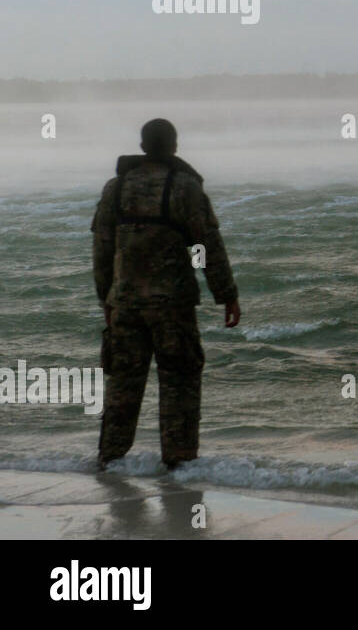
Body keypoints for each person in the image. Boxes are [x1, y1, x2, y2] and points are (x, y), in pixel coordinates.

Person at [91, 118, 240, 470]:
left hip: (125, 304)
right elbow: (206, 248)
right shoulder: (185, 188)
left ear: (143, 146)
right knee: (179, 384)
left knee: (122, 387)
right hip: (172, 307)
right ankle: (179, 465)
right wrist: (226, 294)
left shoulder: (116, 187)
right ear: (174, 146)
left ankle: (109, 461)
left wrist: (106, 299)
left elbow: (102, 249)